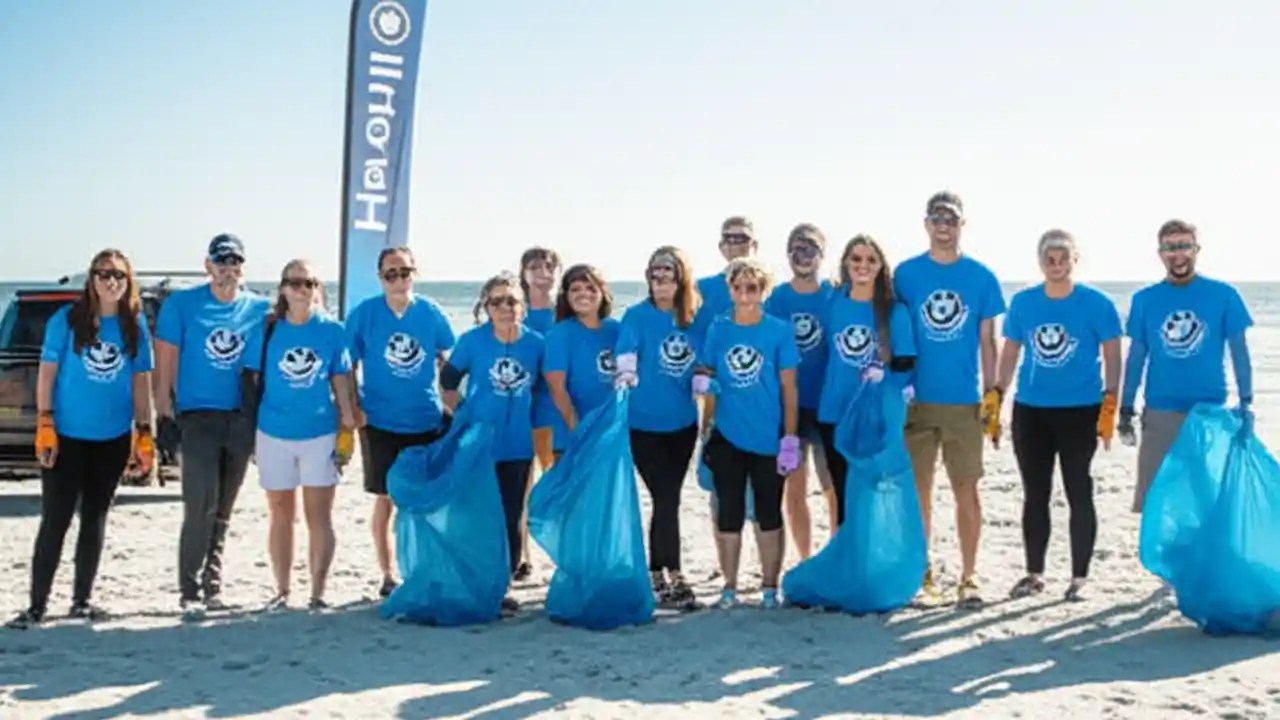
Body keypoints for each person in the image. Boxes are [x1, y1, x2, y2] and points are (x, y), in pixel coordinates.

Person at [7, 250, 156, 629]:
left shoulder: (133, 326)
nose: (111, 281)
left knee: (95, 519)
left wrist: (144, 434)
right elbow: (47, 375)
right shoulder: (67, 321)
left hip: (111, 438)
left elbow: (142, 383)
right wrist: (45, 424)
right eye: (103, 274)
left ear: (128, 281)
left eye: (119, 275)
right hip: (66, 437)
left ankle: (81, 601)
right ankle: (36, 606)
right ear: (91, 279)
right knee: (55, 520)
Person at [991, 230, 1122, 602]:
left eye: (1064, 257)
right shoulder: (1024, 303)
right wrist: (996, 395)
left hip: (1081, 411)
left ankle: (1080, 579)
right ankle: (1035, 574)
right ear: (1040, 261)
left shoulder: (1097, 304)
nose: (1057, 264)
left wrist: (1111, 401)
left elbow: (1113, 355)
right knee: (1036, 493)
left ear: (1075, 260)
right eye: (1050, 258)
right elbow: (1010, 352)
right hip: (1032, 411)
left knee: (1078, 489)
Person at [893, 191, 1005, 608]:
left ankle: (969, 576)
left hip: (963, 403)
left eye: (951, 219)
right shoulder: (905, 275)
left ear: (962, 224)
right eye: (937, 218)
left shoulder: (981, 277)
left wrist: (993, 397)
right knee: (918, 493)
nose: (944, 225)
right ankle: (920, 573)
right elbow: (890, 329)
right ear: (926, 224)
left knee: (967, 491)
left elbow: (988, 342)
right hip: (915, 403)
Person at [155, 234, 271, 612]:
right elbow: (166, 360)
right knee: (199, 503)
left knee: (223, 507)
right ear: (208, 265)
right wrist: (163, 414)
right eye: (221, 262)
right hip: (196, 417)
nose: (228, 270)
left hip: (239, 418)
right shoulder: (182, 305)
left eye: (235, 262)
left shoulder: (258, 307)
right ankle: (188, 588)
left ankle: (212, 585)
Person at [241, 260, 356, 611]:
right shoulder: (267, 330)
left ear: (317, 288)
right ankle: (282, 588)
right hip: (273, 432)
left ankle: (318, 590)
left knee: (318, 516)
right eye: (294, 283)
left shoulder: (331, 331)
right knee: (280, 513)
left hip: (319, 434)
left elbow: (341, 380)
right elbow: (251, 380)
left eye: (308, 282)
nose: (302, 289)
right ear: (283, 290)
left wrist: (348, 426)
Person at [1119, 219, 1254, 515]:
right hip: (1160, 411)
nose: (1178, 254)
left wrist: (1246, 402)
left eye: (1184, 246)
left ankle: (1206, 560)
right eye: (1170, 247)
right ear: (1160, 253)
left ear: (1196, 249)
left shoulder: (1223, 296)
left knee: (1207, 497)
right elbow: (1137, 357)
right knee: (1156, 497)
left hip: (1208, 409)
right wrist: (1126, 407)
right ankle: (1159, 560)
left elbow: (1239, 352)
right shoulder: (1145, 300)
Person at [346, 246, 455, 597]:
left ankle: (428, 566)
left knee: (428, 498)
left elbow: (446, 361)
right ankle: (388, 573)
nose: (398, 279)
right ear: (380, 278)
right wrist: (352, 407)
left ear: (414, 274)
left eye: (404, 272)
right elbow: (346, 364)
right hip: (380, 420)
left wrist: (457, 404)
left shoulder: (430, 312)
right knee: (386, 498)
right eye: (391, 274)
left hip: (425, 418)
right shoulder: (365, 314)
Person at [696, 257, 800, 609]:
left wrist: (790, 437)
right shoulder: (718, 328)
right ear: (729, 289)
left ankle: (770, 587)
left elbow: (789, 388)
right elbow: (707, 372)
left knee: (769, 512)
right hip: (727, 434)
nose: (744, 293)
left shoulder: (779, 331)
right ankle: (729, 586)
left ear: (763, 291)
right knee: (729, 513)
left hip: (768, 438)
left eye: (752, 287)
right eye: (738, 286)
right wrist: (703, 393)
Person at [440, 272, 545, 613]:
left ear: (523, 307)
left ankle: (501, 587)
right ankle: (474, 582)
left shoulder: (536, 344)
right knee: (478, 515)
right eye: (496, 301)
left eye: (511, 300)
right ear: (486, 307)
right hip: (479, 444)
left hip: (517, 445)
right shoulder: (472, 341)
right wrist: (463, 416)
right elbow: (448, 382)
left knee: (512, 515)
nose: (504, 308)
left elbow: (548, 388)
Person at [613, 246, 702, 609]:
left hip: (682, 424)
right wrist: (627, 372)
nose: (661, 280)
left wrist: (705, 377)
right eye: (654, 274)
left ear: (681, 278)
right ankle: (667, 575)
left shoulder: (695, 318)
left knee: (670, 499)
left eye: (668, 274)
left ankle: (663, 574)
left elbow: (710, 354)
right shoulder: (636, 315)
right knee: (664, 497)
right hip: (643, 425)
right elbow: (625, 350)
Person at [815, 235, 916, 525]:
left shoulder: (894, 311)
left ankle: (870, 565)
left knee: (871, 496)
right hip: (833, 412)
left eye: (871, 260)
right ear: (845, 263)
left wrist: (886, 376)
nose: (862, 265)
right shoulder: (834, 302)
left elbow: (906, 365)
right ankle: (848, 563)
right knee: (843, 496)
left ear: (881, 266)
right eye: (856, 258)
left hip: (872, 417)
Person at [765, 223, 837, 558]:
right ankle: (805, 559)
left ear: (822, 254)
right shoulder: (777, 298)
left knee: (834, 488)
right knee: (795, 490)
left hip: (829, 404)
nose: (803, 254)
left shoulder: (834, 293)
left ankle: (837, 556)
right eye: (796, 248)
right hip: (790, 407)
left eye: (810, 248)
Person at [543, 264, 620, 457]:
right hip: (572, 436)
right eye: (575, 289)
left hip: (611, 433)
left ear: (602, 293)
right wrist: (579, 432)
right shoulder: (560, 334)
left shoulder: (616, 330)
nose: (583, 294)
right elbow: (556, 388)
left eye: (591, 288)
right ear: (566, 296)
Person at [517, 246, 561, 581]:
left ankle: (563, 553)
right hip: (519, 416)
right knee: (521, 488)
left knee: (559, 486)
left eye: (549, 266)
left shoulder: (565, 316)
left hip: (557, 415)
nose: (542, 272)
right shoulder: (515, 314)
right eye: (534, 267)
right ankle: (523, 556)